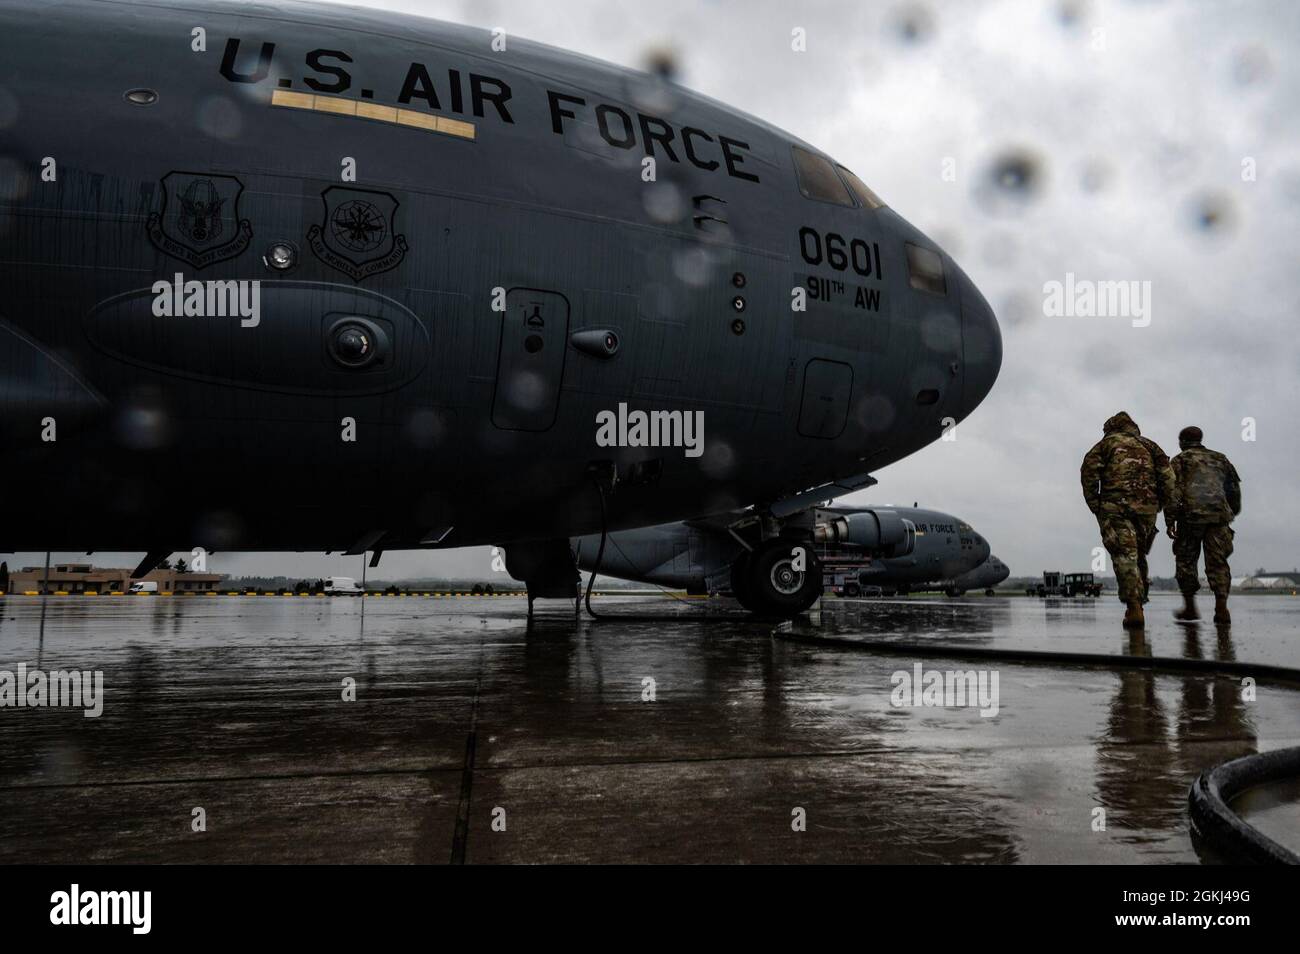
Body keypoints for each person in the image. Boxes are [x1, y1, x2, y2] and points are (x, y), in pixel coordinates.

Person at [1080, 411, 1178, 628]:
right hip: (1147, 512)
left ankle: (1134, 608)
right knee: (1139, 556)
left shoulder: (1104, 445)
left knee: (1126, 556)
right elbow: (1169, 482)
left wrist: (1097, 509)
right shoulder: (1151, 446)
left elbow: (1088, 476)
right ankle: (1139, 605)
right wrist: (1167, 515)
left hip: (1116, 510)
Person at [1168, 426, 1241, 623]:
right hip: (1218, 518)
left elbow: (1172, 492)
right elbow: (1233, 489)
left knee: (1186, 562)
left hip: (1190, 518)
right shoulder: (1220, 459)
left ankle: (1190, 607)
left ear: (1182, 441)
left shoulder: (1179, 461)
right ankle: (1221, 608)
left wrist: (1170, 520)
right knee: (1218, 563)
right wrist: (1231, 512)